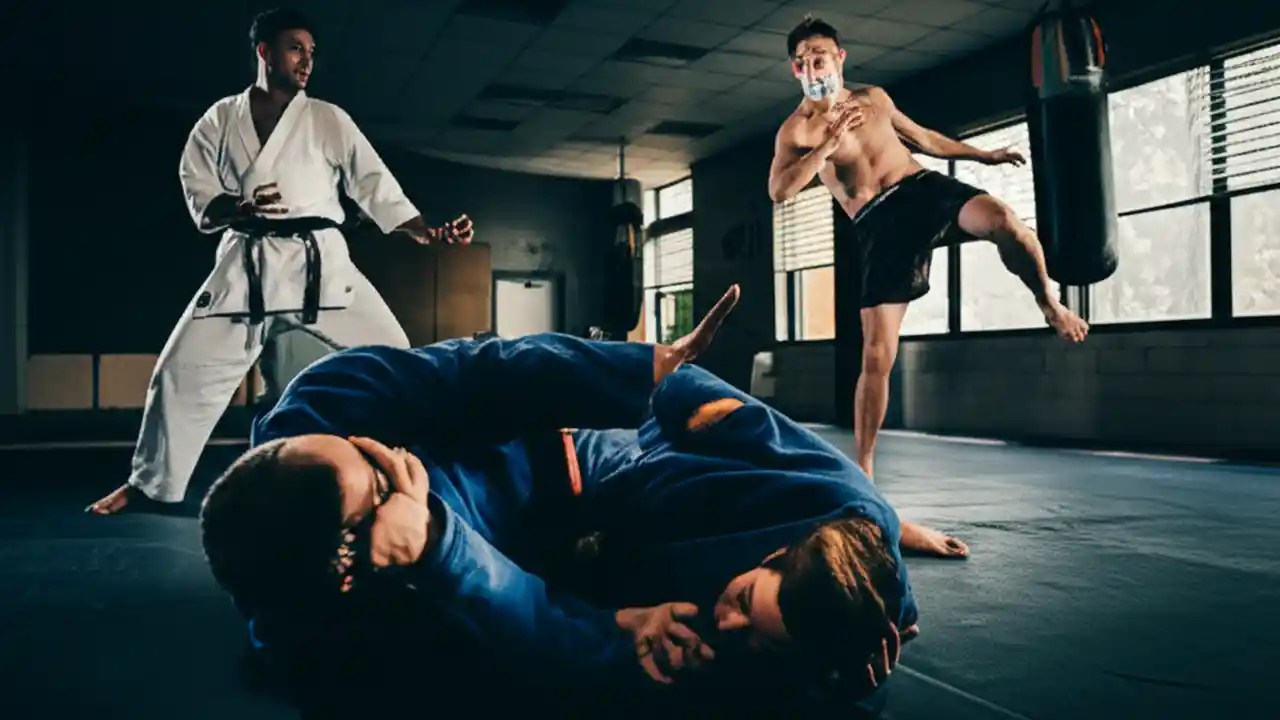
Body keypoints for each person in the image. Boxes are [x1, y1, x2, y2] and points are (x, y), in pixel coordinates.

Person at [198, 286, 924, 716]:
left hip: (558, 464)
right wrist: (438, 547)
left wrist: (645, 370)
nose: (392, 460)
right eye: (379, 484)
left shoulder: (327, 398)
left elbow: (484, 372)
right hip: (536, 548)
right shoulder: (348, 629)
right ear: (353, 560)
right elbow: (532, 625)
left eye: (364, 451)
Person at [86, 8, 474, 516]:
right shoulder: (220, 119)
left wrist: (424, 229)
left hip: (321, 267)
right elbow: (198, 187)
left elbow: (373, 182)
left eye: (311, 52)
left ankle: (426, 472)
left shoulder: (328, 119)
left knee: (398, 360)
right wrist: (236, 208)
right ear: (264, 52)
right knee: (178, 372)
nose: (306, 61)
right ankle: (149, 486)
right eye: (295, 49)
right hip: (247, 266)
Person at [767, 17, 1089, 491]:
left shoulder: (874, 99)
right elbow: (779, 190)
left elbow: (925, 139)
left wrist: (982, 155)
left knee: (1003, 220)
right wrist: (828, 146)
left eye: (821, 56)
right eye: (804, 61)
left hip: (922, 188)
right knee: (877, 353)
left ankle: (1049, 303)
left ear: (840, 58)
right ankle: (864, 468)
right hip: (877, 221)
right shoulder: (797, 131)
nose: (814, 67)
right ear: (796, 69)